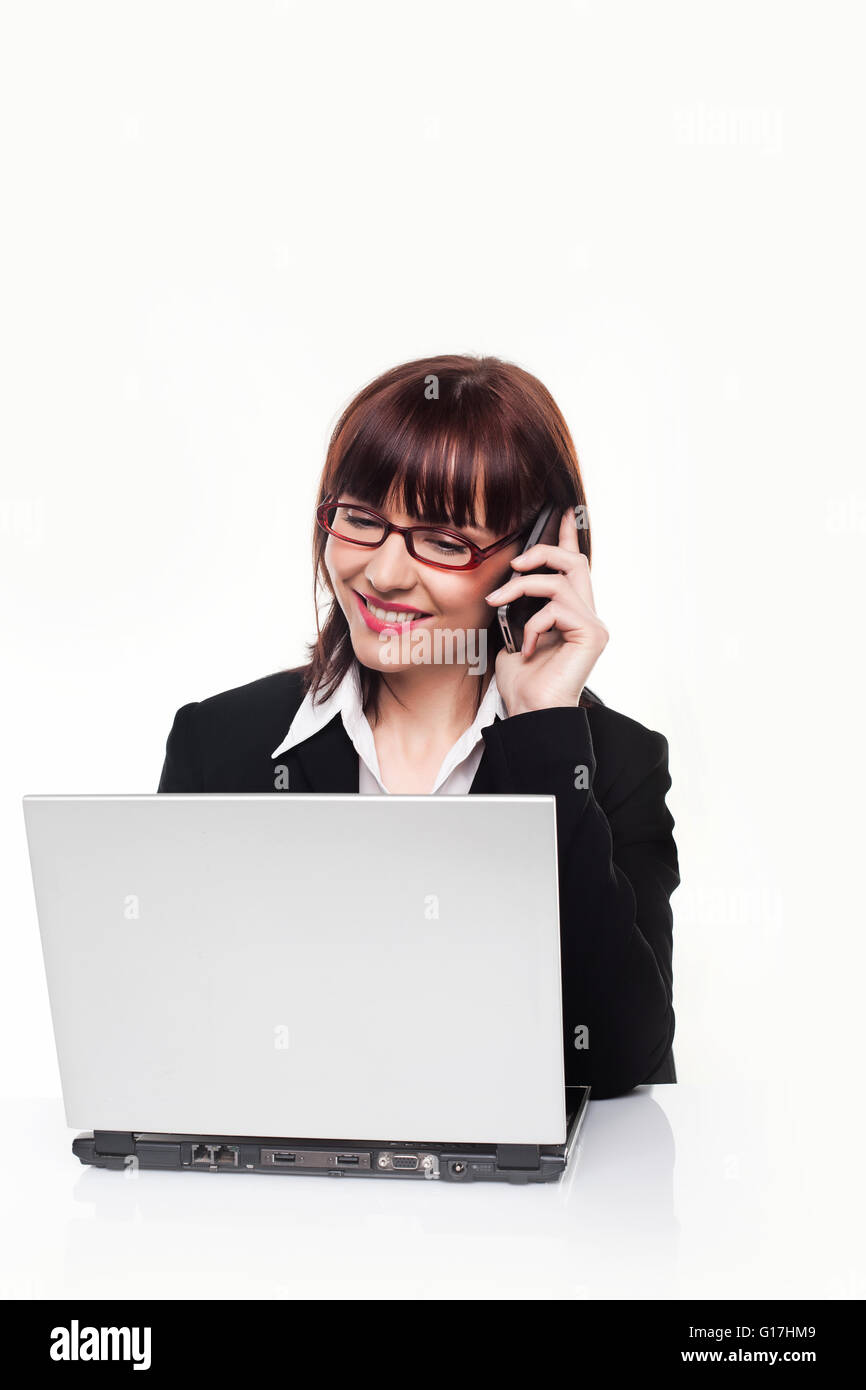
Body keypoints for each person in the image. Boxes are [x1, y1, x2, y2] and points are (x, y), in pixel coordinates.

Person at [158, 354, 679, 1098]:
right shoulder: (222, 743)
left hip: (527, 1209)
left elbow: (617, 1058)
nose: (384, 574)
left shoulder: (612, 760)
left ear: (538, 555)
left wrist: (543, 736)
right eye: (362, 521)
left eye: (442, 540)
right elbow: (172, 1030)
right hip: (279, 1194)